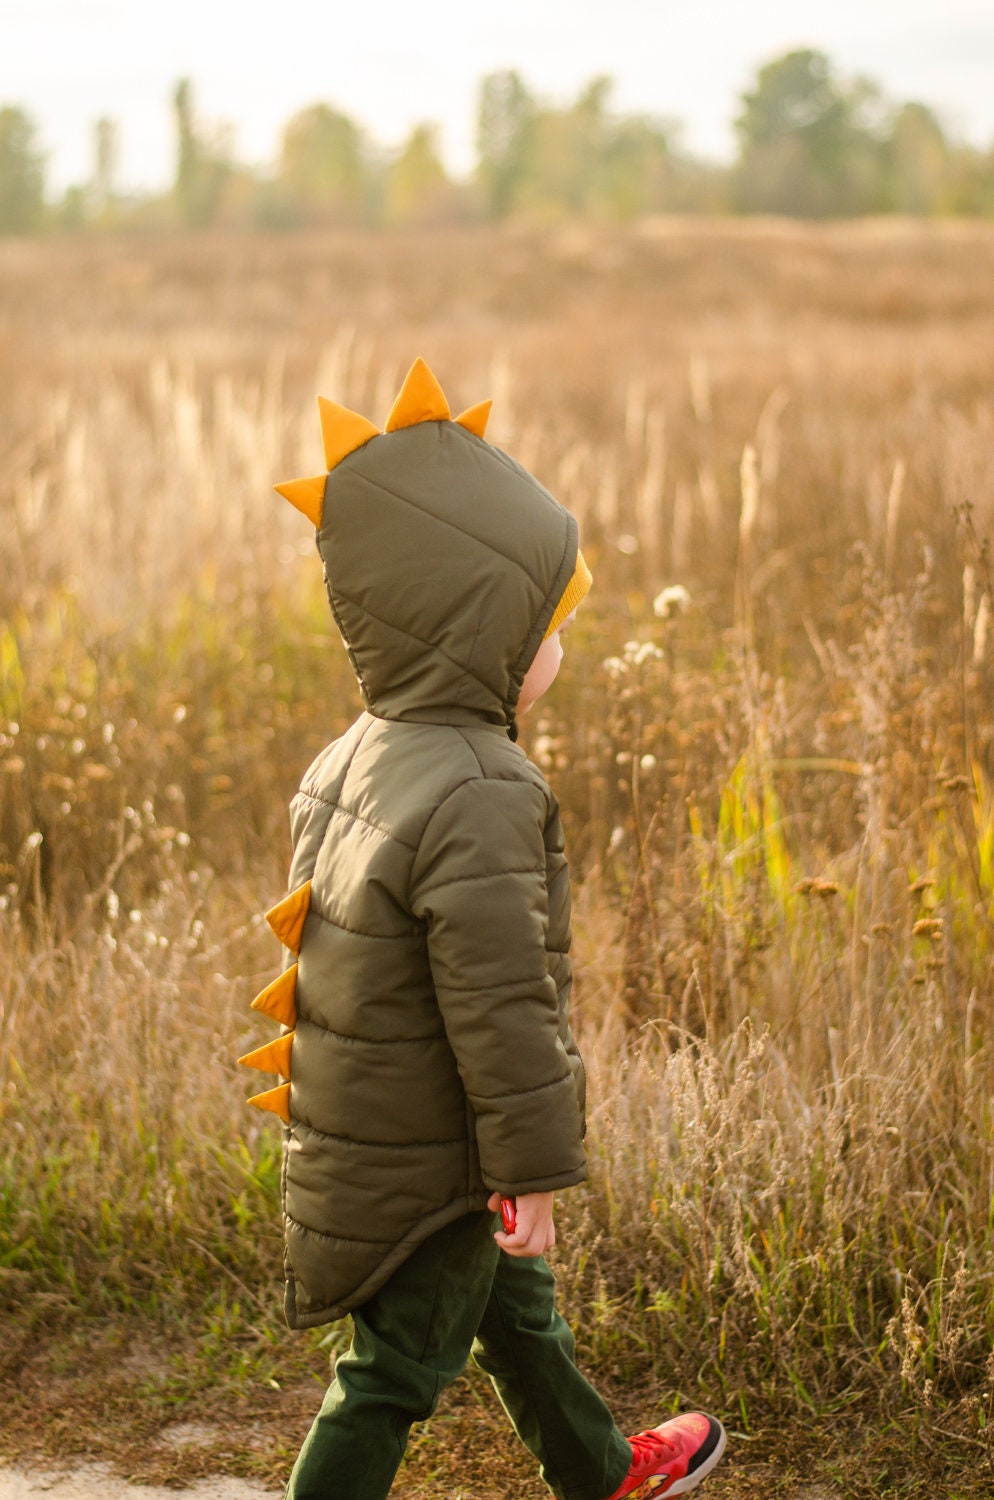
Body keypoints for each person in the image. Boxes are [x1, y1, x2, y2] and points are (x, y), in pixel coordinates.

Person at [239, 358, 727, 1499]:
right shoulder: (483, 786)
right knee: (394, 1373)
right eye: (546, 619)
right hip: (439, 1151)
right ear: (479, 625)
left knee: (517, 1316)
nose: (559, 644)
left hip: (379, 1127)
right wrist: (532, 1172)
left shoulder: (354, 752)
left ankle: (601, 1468)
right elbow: (501, 1006)